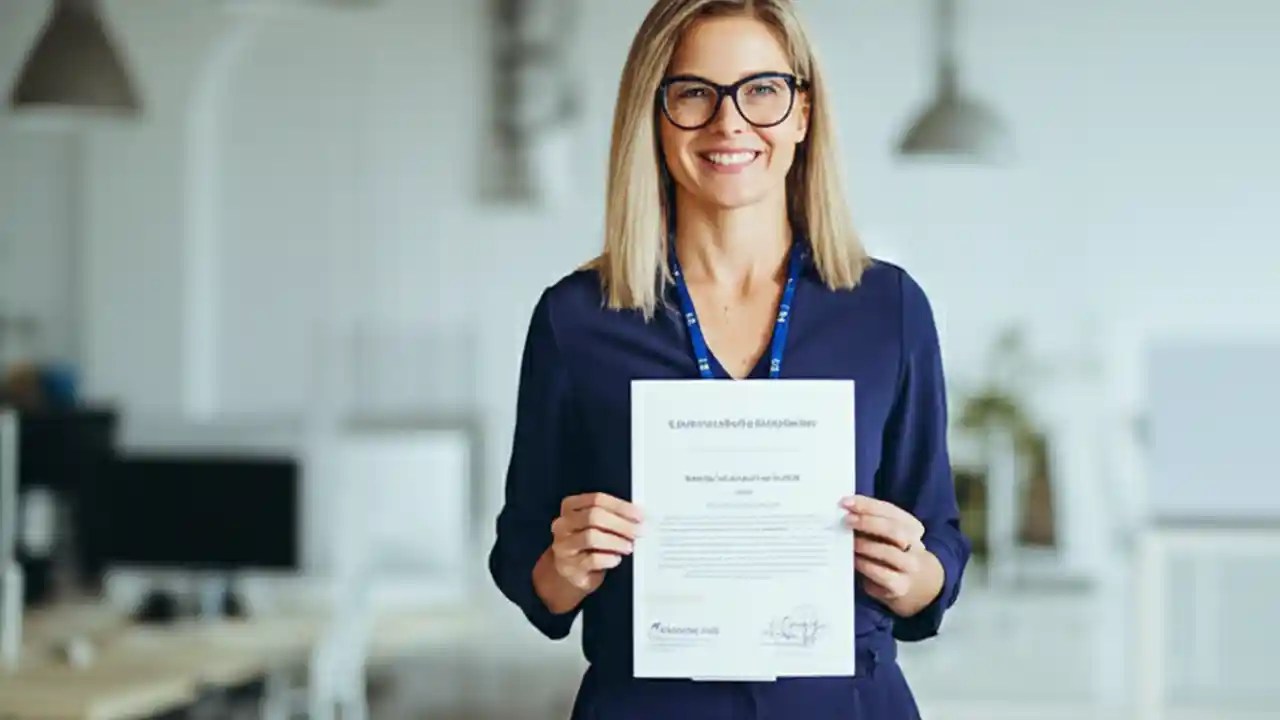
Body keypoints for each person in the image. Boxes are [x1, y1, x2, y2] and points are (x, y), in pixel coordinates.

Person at [489, 0, 971, 717]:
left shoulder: (887, 309)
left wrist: (914, 574)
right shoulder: (577, 319)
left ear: (803, 113)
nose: (729, 122)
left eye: (762, 90)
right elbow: (525, 559)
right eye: (693, 93)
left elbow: (939, 548)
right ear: (653, 115)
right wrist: (565, 566)